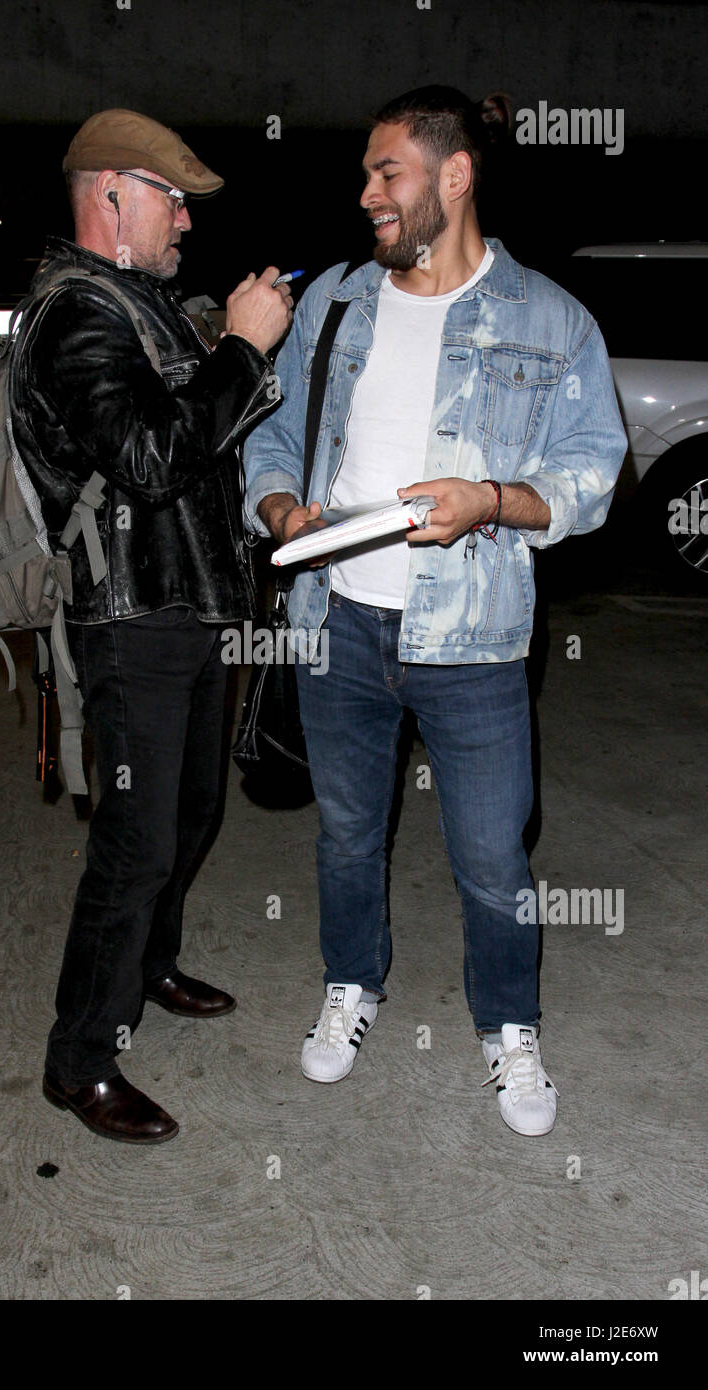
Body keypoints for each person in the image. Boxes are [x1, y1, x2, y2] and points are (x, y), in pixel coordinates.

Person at [243, 86, 627, 1137]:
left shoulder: (549, 319)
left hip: (474, 641)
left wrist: (489, 503)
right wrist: (280, 503)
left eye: (386, 172)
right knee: (344, 835)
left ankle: (507, 1026)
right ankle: (350, 983)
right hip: (339, 621)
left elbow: (590, 474)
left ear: (452, 177)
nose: (366, 192)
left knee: (493, 854)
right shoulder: (328, 301)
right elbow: (269, 437)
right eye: (365, 174)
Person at [11, 109, 292, 1144]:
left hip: (187, 605)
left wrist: (222, 344)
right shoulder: (75, 313)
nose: (185, 218)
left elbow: (186, 430)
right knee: (133, 846)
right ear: (110, 195)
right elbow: (144, 457)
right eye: (170, 197)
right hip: (130, 618)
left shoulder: (142, 304)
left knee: (193, 815)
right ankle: (77, 1060)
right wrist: (245, 351)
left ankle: (150, 963)